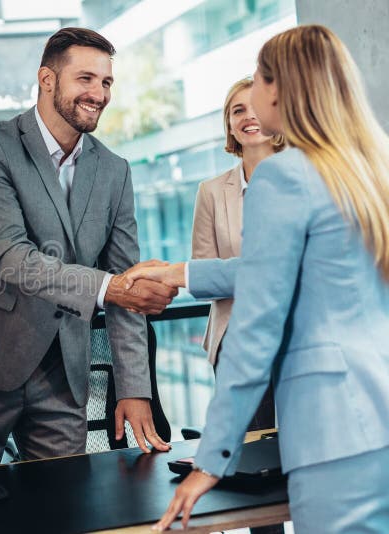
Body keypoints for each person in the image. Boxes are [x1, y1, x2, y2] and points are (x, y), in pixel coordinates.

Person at [140, 25, 389, 532]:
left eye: (256, 79)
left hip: (333, 430)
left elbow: (255, 328)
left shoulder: (284, 177)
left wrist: (211, 461)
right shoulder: (370, 169)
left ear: (279, 89)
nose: (251, 94)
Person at [0, 27, 177, 470]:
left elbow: (128, 287)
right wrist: (110, 288)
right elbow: (14, 259)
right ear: (47, 79)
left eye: (106, 82)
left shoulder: (114, 171)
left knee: (66, 498)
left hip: (64, 373)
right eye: (85, 79)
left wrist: (134, 389)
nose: (99, 94)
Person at [193, 77, 285, 437]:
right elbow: (203, 276)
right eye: (238, 110)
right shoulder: (211, 192)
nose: (249, 116)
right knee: (253, 446)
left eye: (256, 107)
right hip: (237, 339)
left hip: (298, 333)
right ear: (230, 125)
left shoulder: (305, 179)